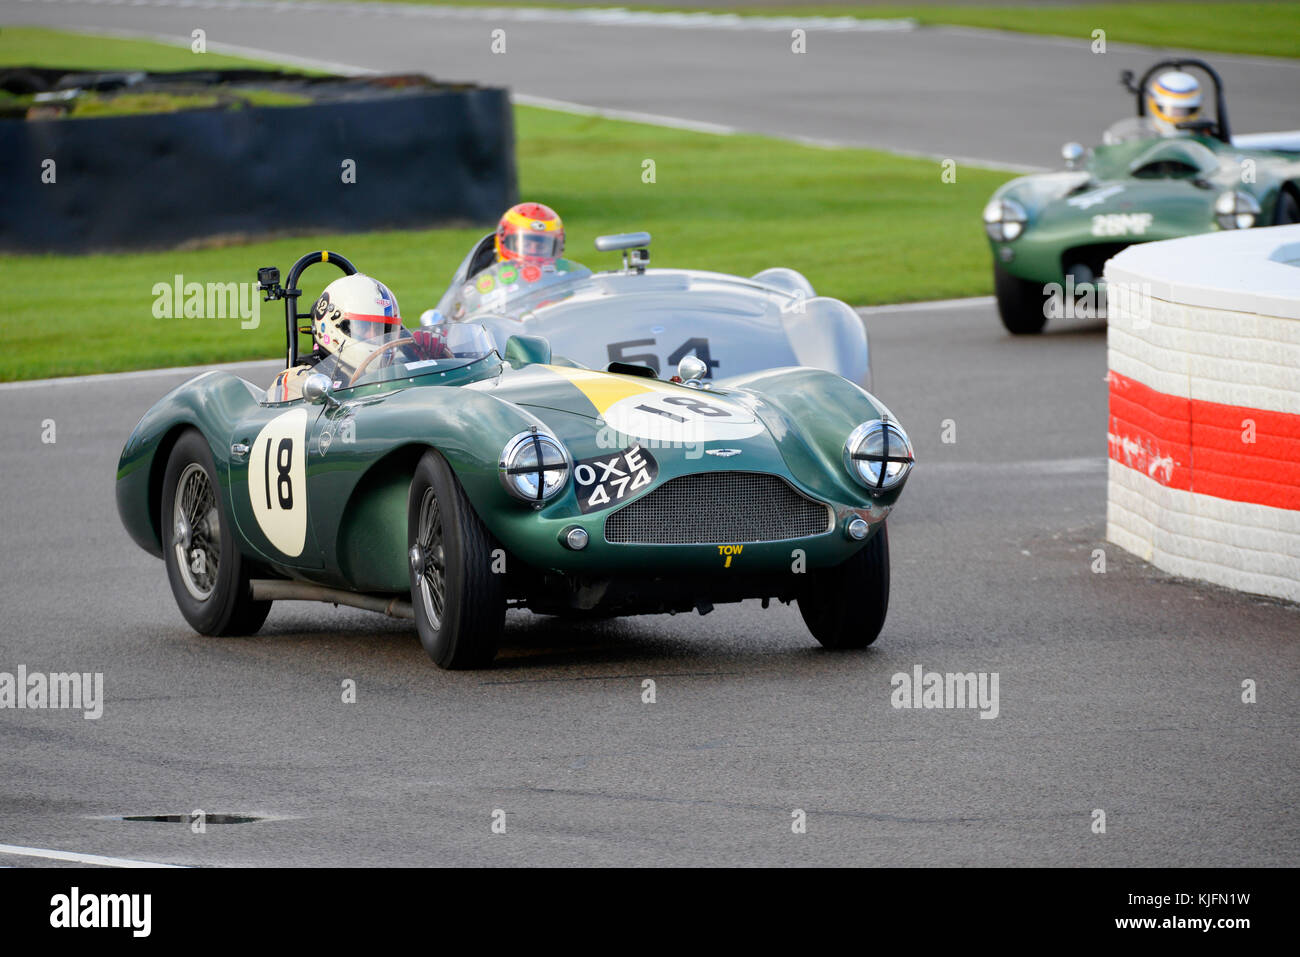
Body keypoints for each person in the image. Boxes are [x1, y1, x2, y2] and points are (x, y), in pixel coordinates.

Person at [268, 273, 405, 401]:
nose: (374, 337)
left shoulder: (398, 369)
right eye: (364, 328)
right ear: (334, 325)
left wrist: (423, 359)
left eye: (382, 329)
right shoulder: (299, 381)